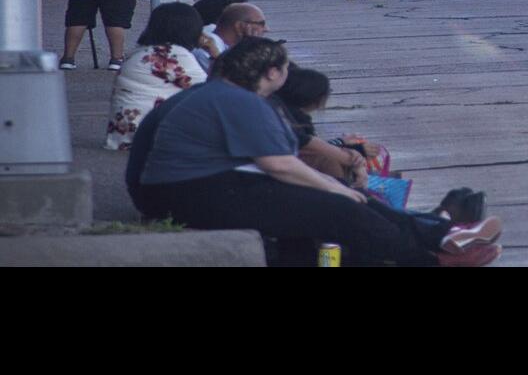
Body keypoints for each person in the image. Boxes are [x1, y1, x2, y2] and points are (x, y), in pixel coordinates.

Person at [126, 37, 503, 267]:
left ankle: (443, 233)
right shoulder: (239, 100)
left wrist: (336, 185)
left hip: (194, 186)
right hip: (186, 192)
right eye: (286, 67)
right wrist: (338, 189)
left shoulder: (220, 94)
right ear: (272, 73)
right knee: (341, 205)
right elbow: (279, 165)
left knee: (346, 198)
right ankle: (436, 257)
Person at [105, 3, 212, 150]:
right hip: (147, 135)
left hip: (123, 132)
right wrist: (214, 52)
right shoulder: (173, 53)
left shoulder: (141, 51)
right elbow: (211, 90)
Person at [192, 2, 269, 72]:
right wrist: (251, 45)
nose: (266, 29)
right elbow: (242, 81)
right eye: (261, 24)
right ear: (239, 26)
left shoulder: (226, 45)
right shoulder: (207, 47)